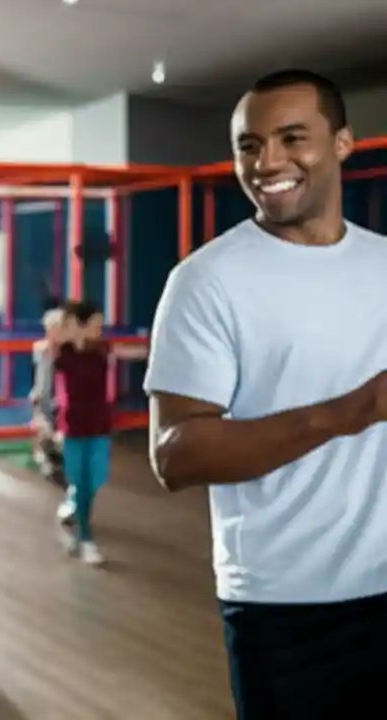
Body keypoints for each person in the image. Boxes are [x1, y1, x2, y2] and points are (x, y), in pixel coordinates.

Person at [145, 69, 387, 718]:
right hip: (286, 609)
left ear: (342, 144)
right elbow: (177, 455)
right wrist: (351, 412)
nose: (267, 162)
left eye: (291, 138)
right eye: (250, 145)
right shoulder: (206, 282)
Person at [53, 300, 147, 565]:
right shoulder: (63, 353)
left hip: (99, 425)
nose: (100, 329)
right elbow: (51, 336)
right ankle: (85, 538)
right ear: (79, 326)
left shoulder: (103, 350)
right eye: (94, 324)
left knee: (95, 479)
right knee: (81, 480)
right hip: (73, 427)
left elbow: (130, 353)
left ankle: (74, 503)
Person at [29, 302, 68, 494]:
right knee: (44, 430)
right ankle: (46, 458)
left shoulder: (69, 353)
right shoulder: (41, 350)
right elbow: (41, 377)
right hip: (44, 399)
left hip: (61, 403)